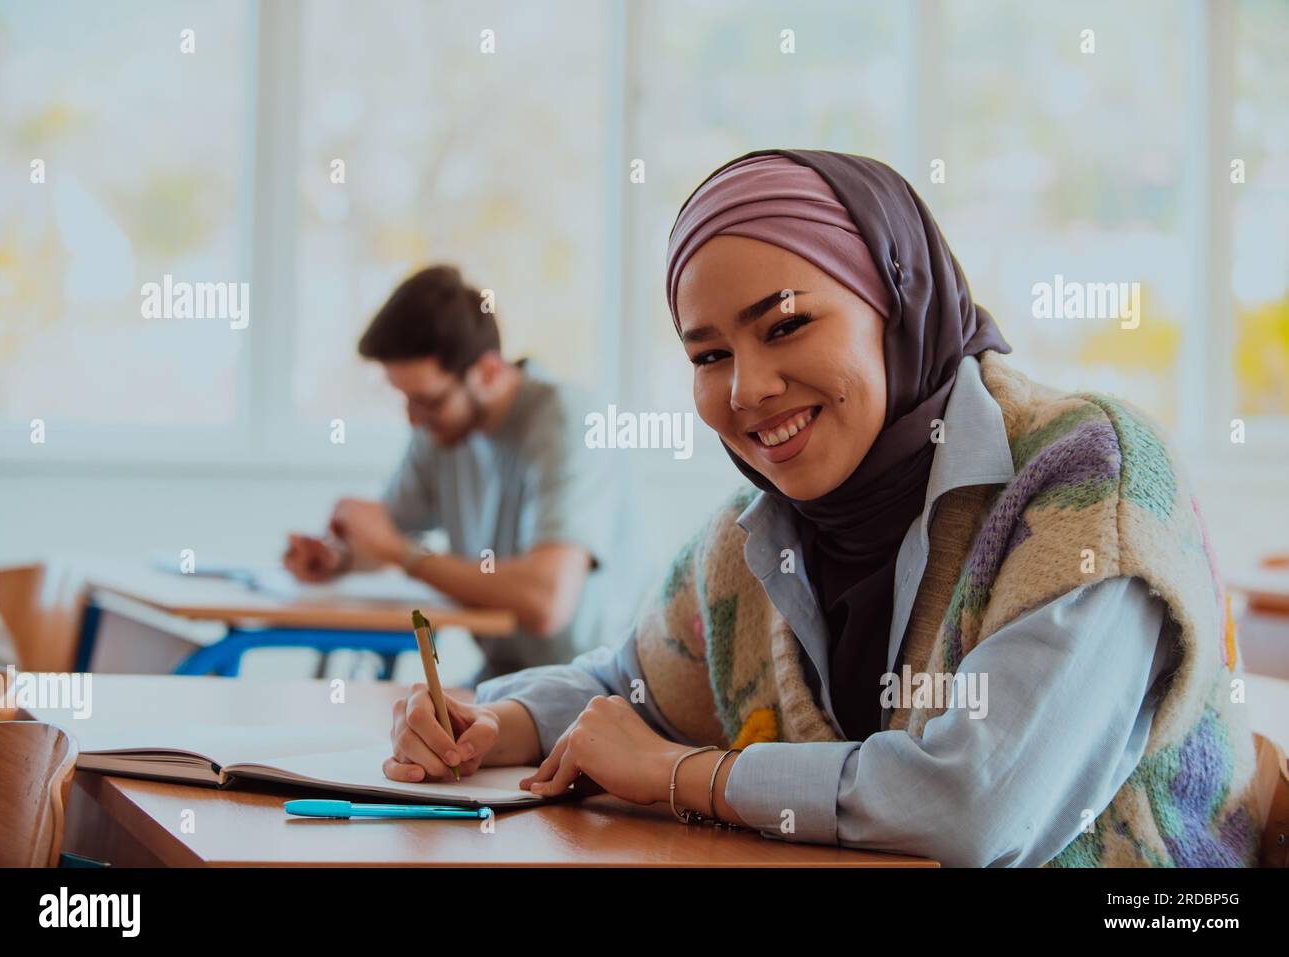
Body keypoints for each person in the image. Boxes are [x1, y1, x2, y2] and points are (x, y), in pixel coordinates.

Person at [383, 151, 1261, 867]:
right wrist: (497, 722)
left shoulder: (1085, 476)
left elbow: (975, 807)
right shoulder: (755, 531)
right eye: (709, 352)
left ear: (898, 300)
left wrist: (688, 776)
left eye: (787, 324)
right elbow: (633, 685)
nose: (748, 388)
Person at [284, 265, 641, 683]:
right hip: (507, 678)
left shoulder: (567, 423)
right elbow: (387, 536)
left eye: (427, 401)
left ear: (488, 372)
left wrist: (404, 554)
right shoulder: (444, 431)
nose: (414, 420)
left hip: (596, 687)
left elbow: (546, 600)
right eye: (405, 401)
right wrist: (339, 555)